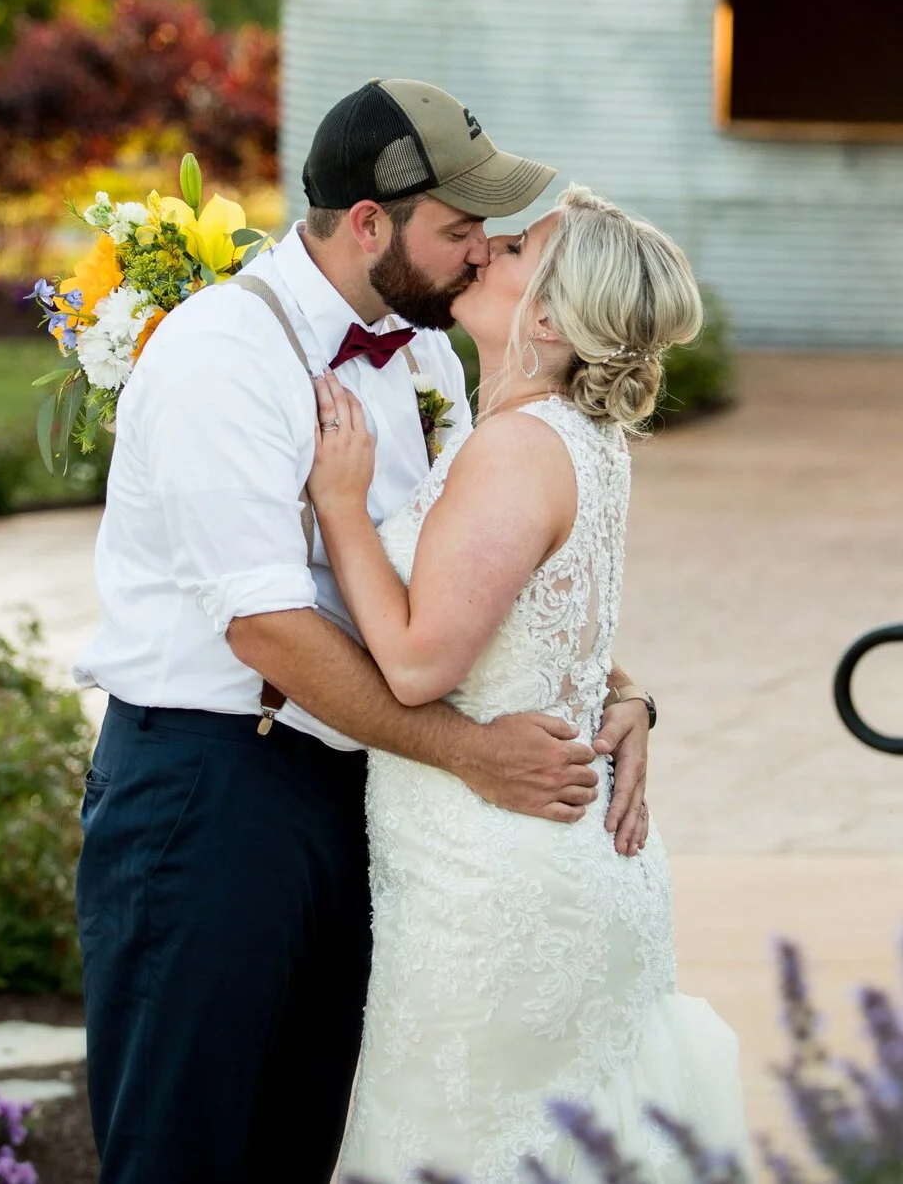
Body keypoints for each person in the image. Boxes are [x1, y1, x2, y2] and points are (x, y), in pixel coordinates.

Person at [74, 80, 662, 1184]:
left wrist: (618, 690)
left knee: (304, 1142)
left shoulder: (426, 352)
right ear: (368, 223)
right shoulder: (223, 355)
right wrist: (471, 751)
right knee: (182, 1146)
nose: (480, 249)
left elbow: (481, 579)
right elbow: (268, 629)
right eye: (459, 227)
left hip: (363, 787)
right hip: (213, 791)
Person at [312, 183, 750, 1180]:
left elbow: (417, 664)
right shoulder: (572, 434)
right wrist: (627, 694)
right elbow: (555, 626)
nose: (481, 250)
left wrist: (340, 504)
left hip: (495, 879)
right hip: (548, 855)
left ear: (547, 319)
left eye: (510, 251)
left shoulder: (515, 447)